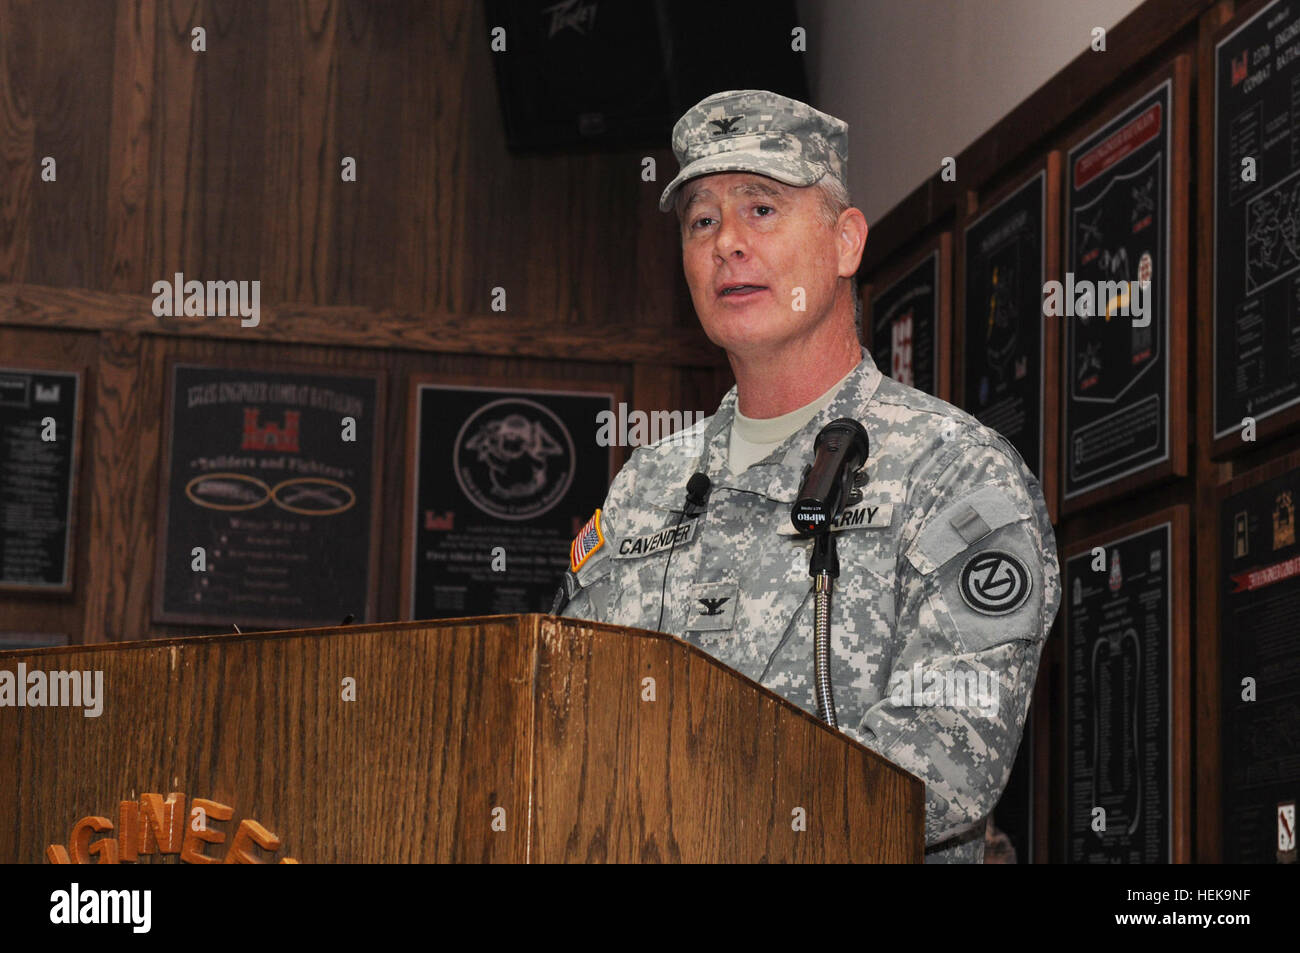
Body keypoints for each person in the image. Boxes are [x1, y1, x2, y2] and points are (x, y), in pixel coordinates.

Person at [552, 89, 1060, 863]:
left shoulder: (953, 472)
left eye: (760, 209)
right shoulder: (643, 489)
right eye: (701, 220)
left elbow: (948, 761)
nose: (727, 242)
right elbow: (562, 715)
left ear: (846, 242)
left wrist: (683, 807)